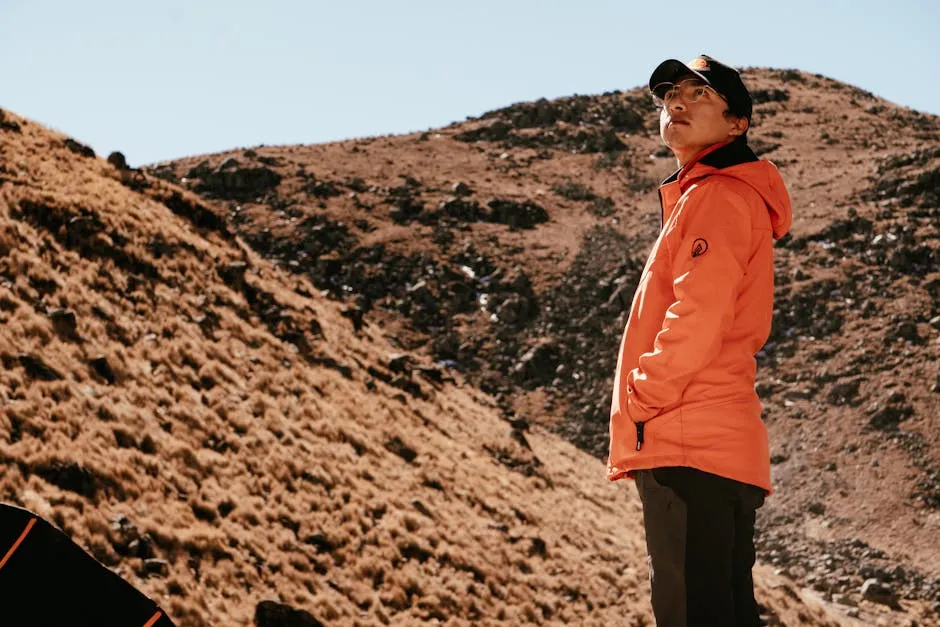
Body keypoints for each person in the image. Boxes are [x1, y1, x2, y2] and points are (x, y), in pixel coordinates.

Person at [607, 55, 793, 626]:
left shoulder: (715, 196)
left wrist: (642, 397)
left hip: (688, 439)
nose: (676, 104)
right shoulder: (718, 195)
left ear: (738, 123)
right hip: (717, 446)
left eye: (697, 93)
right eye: (668, 96)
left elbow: (697, 315)